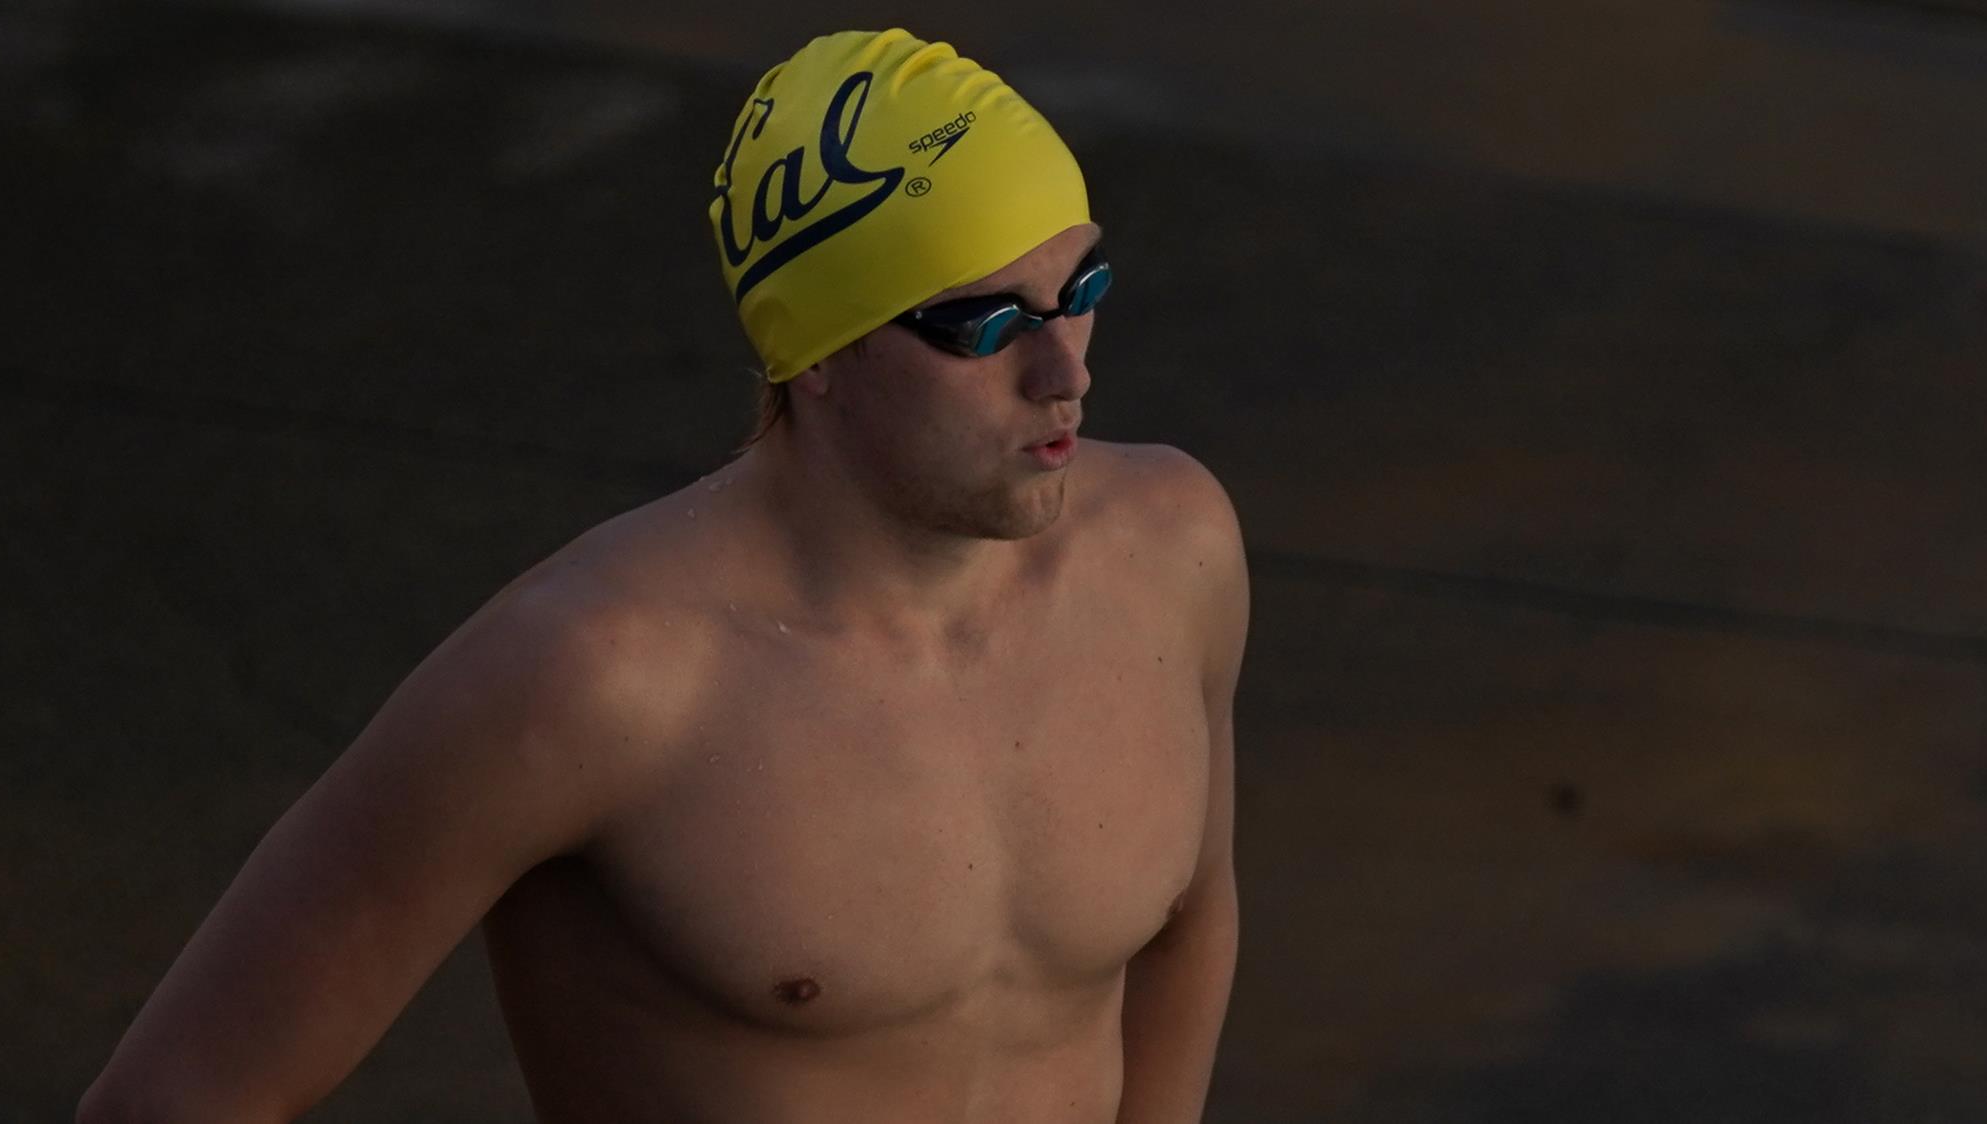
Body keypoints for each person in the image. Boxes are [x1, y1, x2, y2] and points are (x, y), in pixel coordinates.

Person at [80, 27, 1246, 1124]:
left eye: (1080, 294)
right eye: (987, 327)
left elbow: (1189, 929)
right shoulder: (595, 676)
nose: (1062, 372)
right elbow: (178, 1093)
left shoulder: (1169, 550)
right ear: (819, 348)